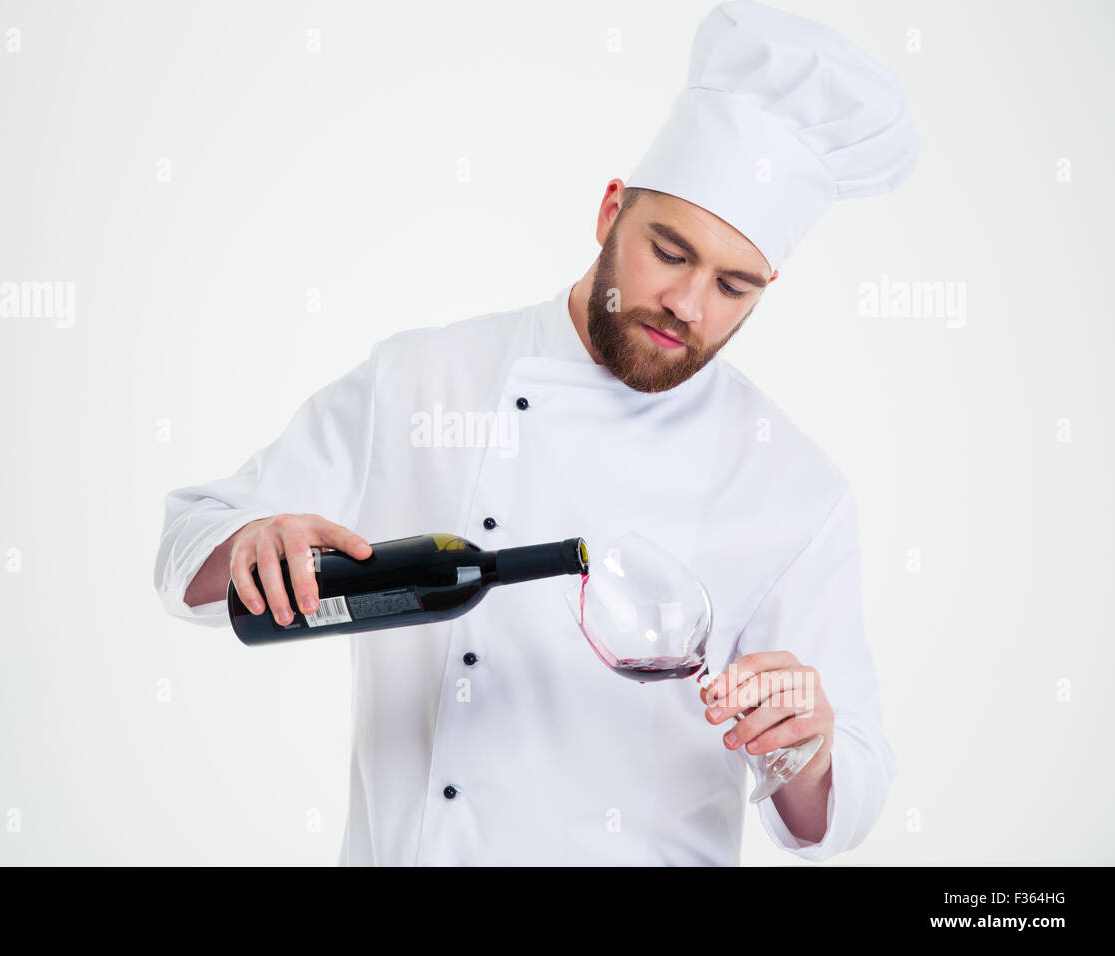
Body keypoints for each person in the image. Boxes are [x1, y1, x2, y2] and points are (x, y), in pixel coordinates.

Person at [154, 0, 919, 865]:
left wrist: (806, 738)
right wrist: (256, 539)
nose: (689, 305)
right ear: (609, 211)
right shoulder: (424, 378)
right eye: (669, 252)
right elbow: (187, 553)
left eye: (734, 286)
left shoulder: (793, 486)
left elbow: (842, 798)